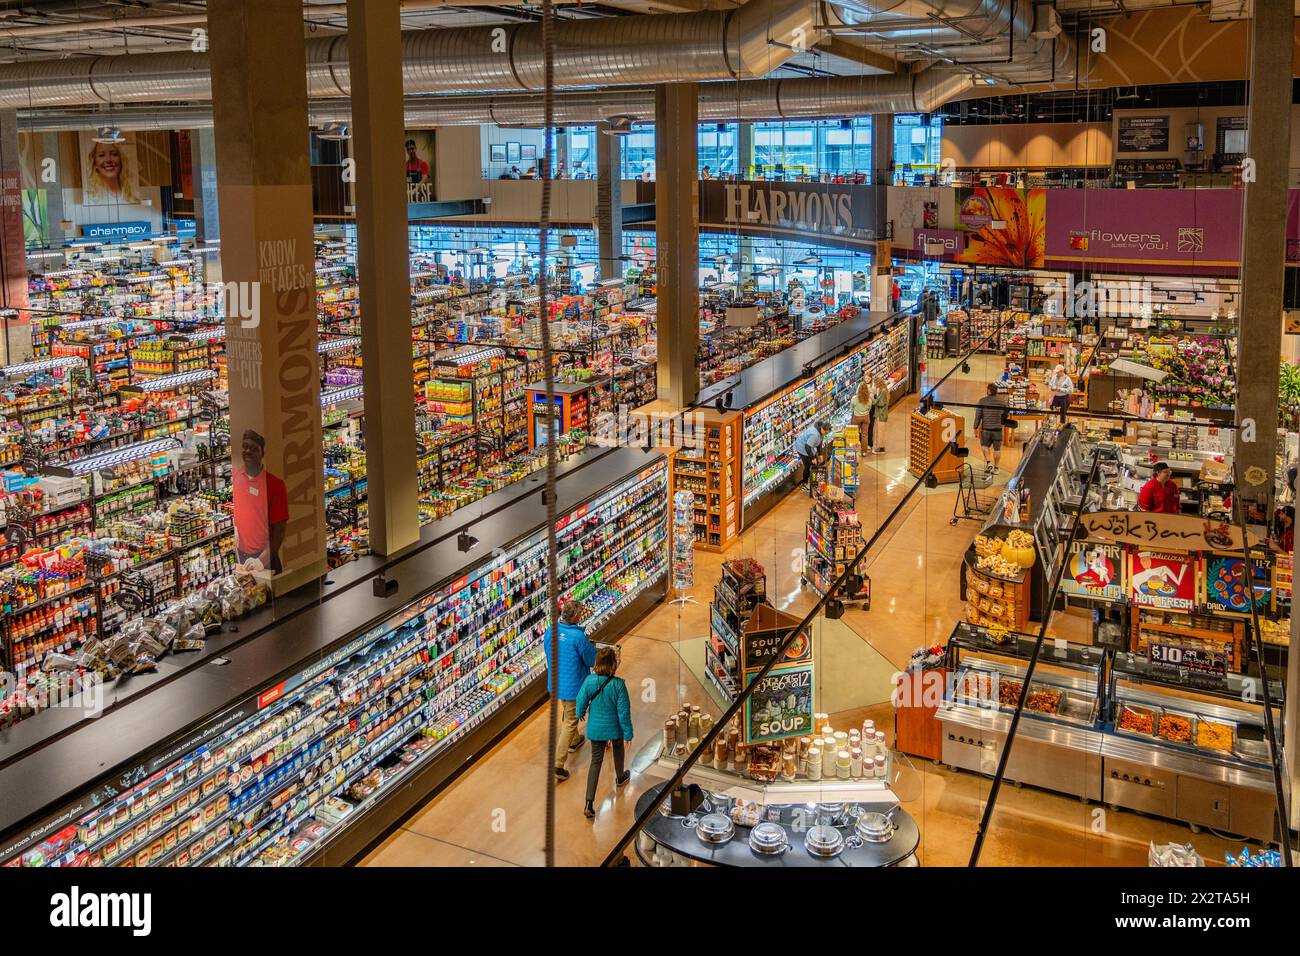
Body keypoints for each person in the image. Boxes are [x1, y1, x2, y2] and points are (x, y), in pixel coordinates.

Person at [574, 646, 634, 819]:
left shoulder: (589, 681)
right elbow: (624, 713)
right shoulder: (618, 685)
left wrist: (580, 713)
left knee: (596, 761)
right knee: (618, 748)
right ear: (614, 665)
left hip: (595, 728)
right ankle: (620, 776)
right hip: (614, 727)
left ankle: (589, 802)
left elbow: (581, 699)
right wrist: (628, 734)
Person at [543, 600, 597, 781]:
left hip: (557, 682)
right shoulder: (578, 637)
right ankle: (558, 764)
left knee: (567, 712)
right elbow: (591, 660)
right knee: (570, 721)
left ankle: (574, 741)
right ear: (574, 617)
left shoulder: (551, 632)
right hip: (574, 685)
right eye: (580, 614)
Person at [232, 429, 289, 573]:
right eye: (245, 447)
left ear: (262, 453)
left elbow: (280, 530)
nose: (248, 451)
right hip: (240, 558)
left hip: (265, 562)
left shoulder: (274, 485)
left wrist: (261, 561)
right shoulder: (236, 476)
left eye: (254, 448)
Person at [85, 139, 141, 204]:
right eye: (101, 155)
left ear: (121, 159)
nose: (108, 160)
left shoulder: (134, 196)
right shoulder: (90, 198)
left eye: (114, 154)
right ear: (95, 163)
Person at [973, 382, 1009, 475]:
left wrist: (975, 427)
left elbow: (978, 416)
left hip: (986, 429)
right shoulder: (1002, 402)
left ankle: (989, 463)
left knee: (985, 446)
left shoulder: (982, 401)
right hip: (997, 429)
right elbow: (1006, 414)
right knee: (997, 449)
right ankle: (996, 468)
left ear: (989, 391)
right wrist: (1001, 421)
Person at [793, 420, 831, 489]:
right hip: (802, 447)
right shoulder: (815, 435)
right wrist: (812, 458)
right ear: (822, 428)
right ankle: (804, 484)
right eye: (825, 432)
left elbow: (819, 443)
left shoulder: (821, 432)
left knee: (814, 464)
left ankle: (814, 482)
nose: (826, 434)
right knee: (808, 466)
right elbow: (807, 447)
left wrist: (820, 454)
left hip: (809, 446)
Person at [850, 379, 873, 454]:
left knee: (855, 434)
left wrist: (852, 415)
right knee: (864, 435)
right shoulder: (869, 399)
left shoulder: (855, 398)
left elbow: (852, 408)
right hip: (866, 417)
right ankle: (864, 452)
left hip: (856, 417)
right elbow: (869, 408)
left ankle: (854, 451)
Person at [870, 376, 890, 454]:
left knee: (881, 431)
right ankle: (880, 447)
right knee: (880, 431)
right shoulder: (883, 390)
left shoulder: (883, 391)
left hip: (881, 415)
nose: (874, 386)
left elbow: (881, 403)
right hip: (881, 414)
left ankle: (881, 448)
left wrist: (873, 399)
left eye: (875, 384)